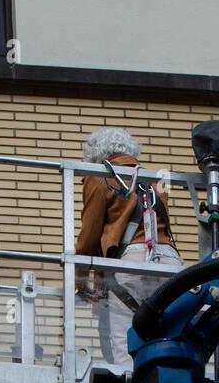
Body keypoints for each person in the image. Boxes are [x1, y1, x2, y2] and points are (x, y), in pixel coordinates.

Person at [75, 128, 184, 367]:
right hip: (170, 263)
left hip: (130, 262)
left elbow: (89, 240)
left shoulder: (99, 176)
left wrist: (82, 283)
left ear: (96, 154)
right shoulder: (155, 180)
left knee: (124, 347)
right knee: (170, 339)